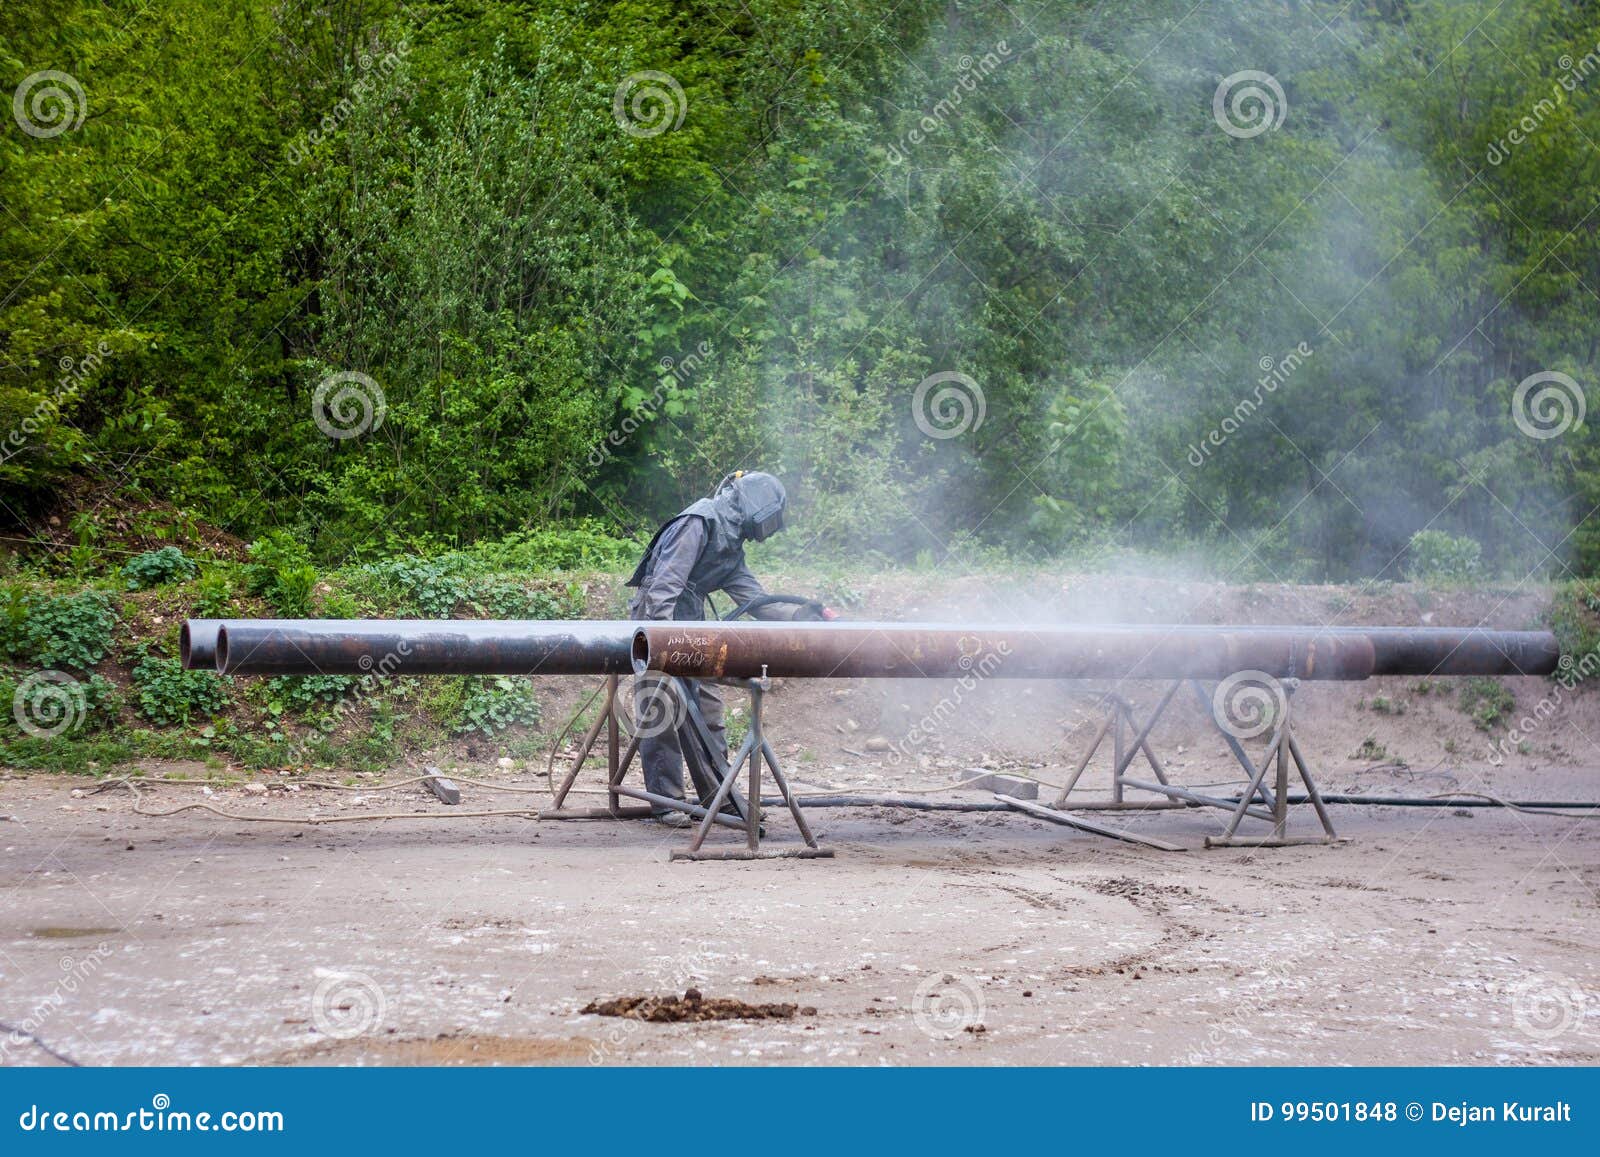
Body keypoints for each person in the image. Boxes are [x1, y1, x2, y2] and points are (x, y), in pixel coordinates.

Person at [625, 471, 834, 826]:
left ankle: (719, 798)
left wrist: (805, 616)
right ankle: (666, 802)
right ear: (757, 503)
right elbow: (665, 586)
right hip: (658, 622)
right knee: (664, 709)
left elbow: (758, 602)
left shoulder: (730, 547)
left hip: (691, 624)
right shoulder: (699, 521)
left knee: (708, 709)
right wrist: (661, 643)